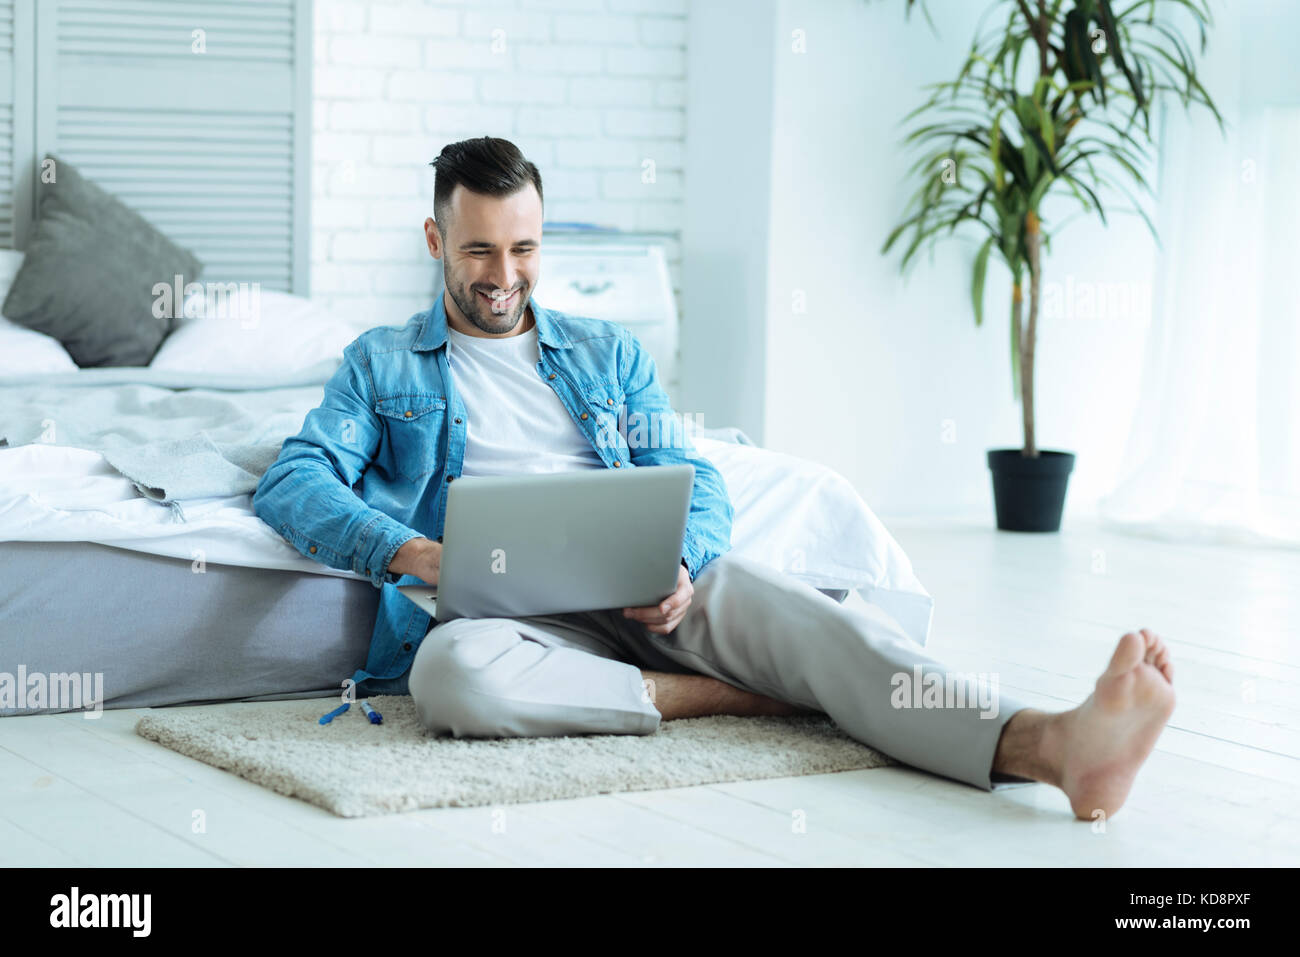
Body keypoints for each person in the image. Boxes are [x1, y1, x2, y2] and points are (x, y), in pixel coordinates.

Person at [253, 137, 1176, 820]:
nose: (505, 275)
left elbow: (690, 472)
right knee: (450, 680)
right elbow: (295, 479)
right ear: (434, 237)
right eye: (479, 251)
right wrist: (412, 548)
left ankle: (1052, 744)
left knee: (834, 633)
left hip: (649, 593)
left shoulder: (606, 351)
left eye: (524, 249)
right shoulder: (383, 363)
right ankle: (734, 696)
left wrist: (687, 564)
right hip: (498, 617)